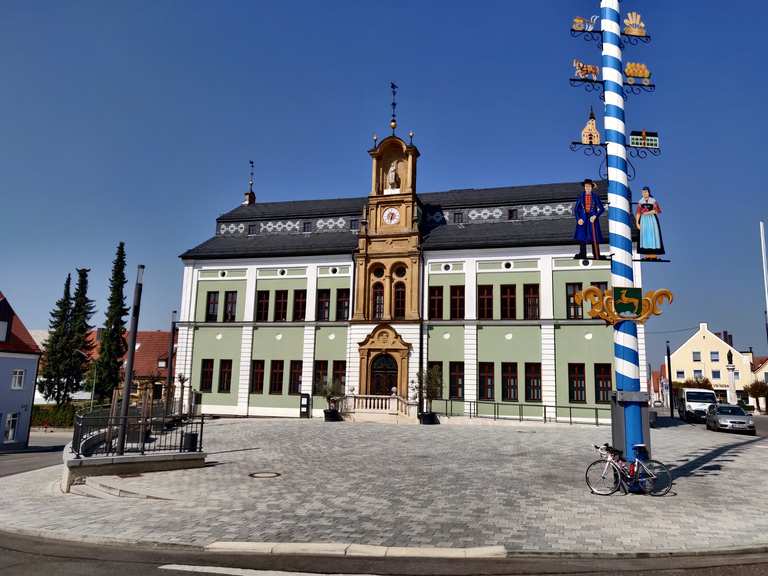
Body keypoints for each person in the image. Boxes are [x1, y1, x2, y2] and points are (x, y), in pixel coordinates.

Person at [573, 178, 605, 259]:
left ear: (592, 187)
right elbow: (576, 209)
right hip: (583, 219)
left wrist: (595, 216)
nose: (587, 188)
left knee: (594, 236)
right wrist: (578, 219)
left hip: (592, 219)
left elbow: (602, 209)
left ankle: (596, 254)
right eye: (586, 186)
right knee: (582, 236)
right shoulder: (580, 196)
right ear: (584, 187)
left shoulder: (595, 196)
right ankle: (582, 254)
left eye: (589, 186)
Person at [635, 186, 665, 258]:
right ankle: (647, 253)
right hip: (643, 221)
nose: (644, 194)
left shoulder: (653, 201)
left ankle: (653, 253)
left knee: (652, 235)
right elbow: (638, 213)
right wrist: (637, 222)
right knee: (645, 236)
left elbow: (657, 211)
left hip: (651, 220)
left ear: (648, 192)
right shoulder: (640, 202)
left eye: (646, 192)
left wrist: (648, 213)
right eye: (643, 192)